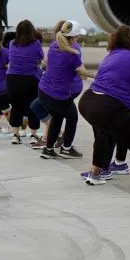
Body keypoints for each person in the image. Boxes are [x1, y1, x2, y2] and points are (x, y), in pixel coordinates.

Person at [77, 25, 130, 185]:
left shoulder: (111, 55)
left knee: (103, 133)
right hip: (110, 105)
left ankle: (96, 173)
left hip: (88, 101)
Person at [37, 19, 90, 159]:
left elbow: (47, 63)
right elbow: (83, 73)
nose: (78, 39)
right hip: (57, 95)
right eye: (77, 36)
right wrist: (98, 75)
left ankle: (48, 150)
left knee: (58, 116)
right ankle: (66, 148)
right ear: (73, 37)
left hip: (44, 91)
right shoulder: (73, 53)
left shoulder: (55, 45)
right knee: (72, 117)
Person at [6, 19, 46, 147]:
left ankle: (15, 135)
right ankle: (33, 135)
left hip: (12, 78)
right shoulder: (35, 44)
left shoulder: (12, 43)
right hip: (30, 78)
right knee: (32, 106)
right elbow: (40, 59)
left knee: (16, 106)